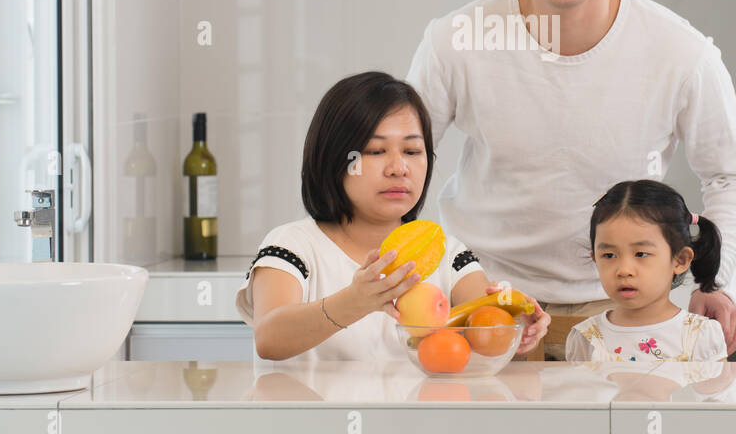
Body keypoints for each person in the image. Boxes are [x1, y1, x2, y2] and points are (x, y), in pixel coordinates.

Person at [405, 0, 736, 357]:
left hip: (628, 311)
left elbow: (731, 175)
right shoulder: (454, 40)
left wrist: (716, 280)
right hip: (486, 304)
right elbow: (405, 159)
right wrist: (410, 274)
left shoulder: (681, 51)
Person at [235, 71, 550, 361]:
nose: (399, 168)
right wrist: (355, 301)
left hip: (416, 421)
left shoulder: (446, 253)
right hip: (312, 422)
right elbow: (269, 339)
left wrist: (518, 323)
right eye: (375, 151)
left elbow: (486, 329)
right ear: (333, 159)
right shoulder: (294, 245)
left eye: (412, 152)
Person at [565, 180, 727, 363]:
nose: (624, 270)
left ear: (680, 260)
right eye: (609, 255)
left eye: (641, 254)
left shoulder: (701, 336)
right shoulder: (586, 338)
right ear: (595, 258)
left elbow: (714, 392)